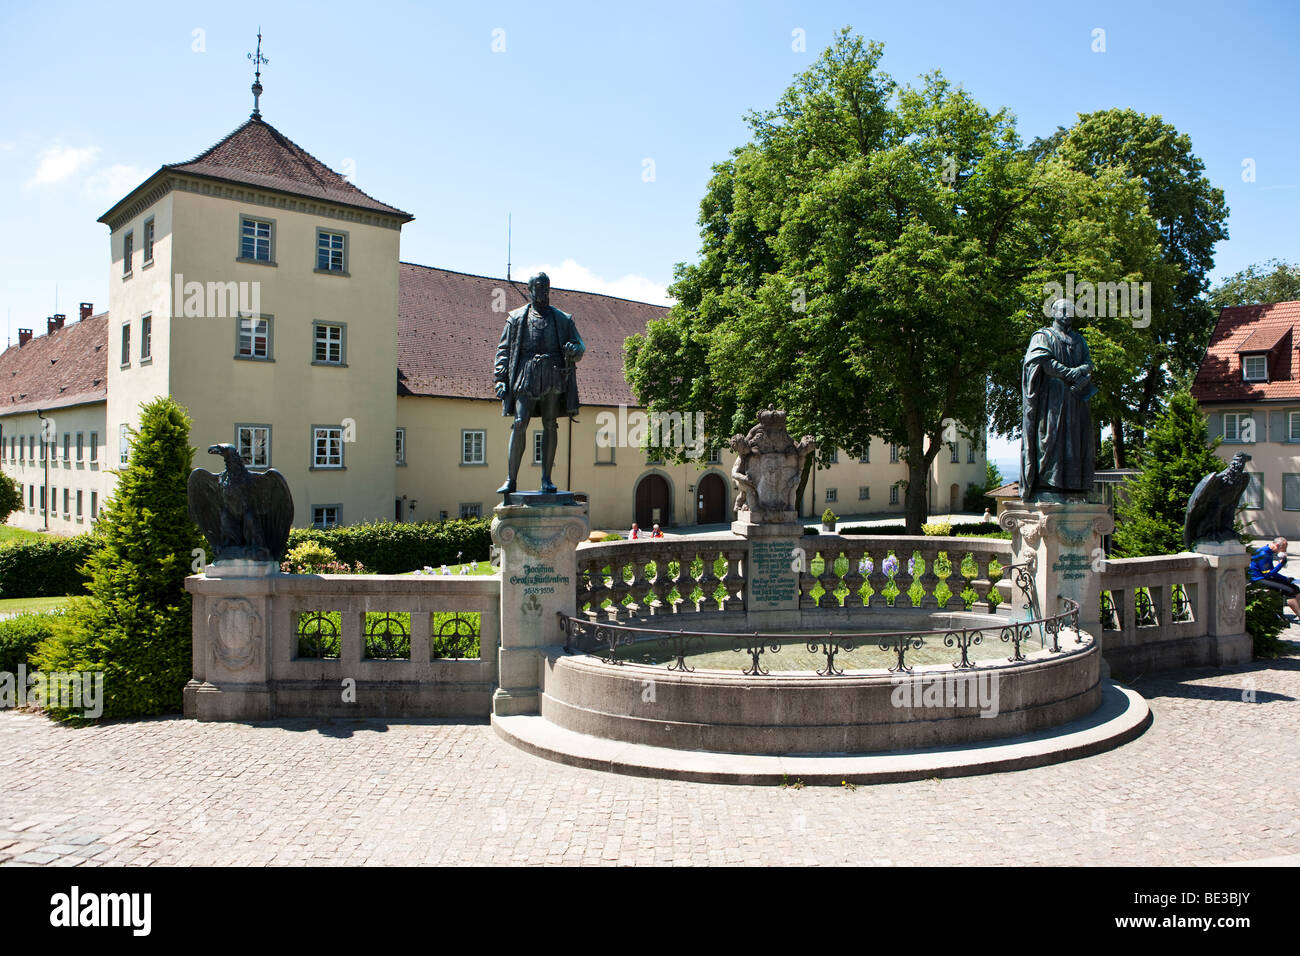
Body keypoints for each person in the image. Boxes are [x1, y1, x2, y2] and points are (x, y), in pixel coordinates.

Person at [494, 272, 585, 495]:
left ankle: (546, 479)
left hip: (553, 374)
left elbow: (580, 345)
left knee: (550, 424)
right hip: (525, 373)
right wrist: (500, 379)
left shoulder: (563, 319)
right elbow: (503, 351)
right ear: (530, 290)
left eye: (546, 288)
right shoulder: (515, 318)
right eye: (539, 287)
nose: (543, 292)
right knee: (519, 422)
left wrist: (575, 349)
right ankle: (511, 479)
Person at [1021, 298, 1097, 500]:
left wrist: (1082, 371)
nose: (1067, 314)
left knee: (1075, 439)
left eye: (1071, 310)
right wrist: (1071, 373)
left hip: (1076, 399)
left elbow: (1089, 363)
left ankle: (1073, 484)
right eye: (1063, 310)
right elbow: (1043, 363)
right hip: (1052, 400)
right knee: (1050, 438)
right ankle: (1048, 481)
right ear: (1053, 312)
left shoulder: (1079, 340)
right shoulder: (1043, 336)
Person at [1249, 537, 1300, 620]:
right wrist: (1281, 565)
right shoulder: (1264, 554)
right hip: (1258, 580)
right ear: (1276, 545)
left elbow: (1272, 572)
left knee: (1295, 588)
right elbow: (1268, 575)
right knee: (1289, 591)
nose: (1284, 551)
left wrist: (1285, 579)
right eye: (1283, 549)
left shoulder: (1269, 552)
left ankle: (1285, 613)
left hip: (1265, 577)